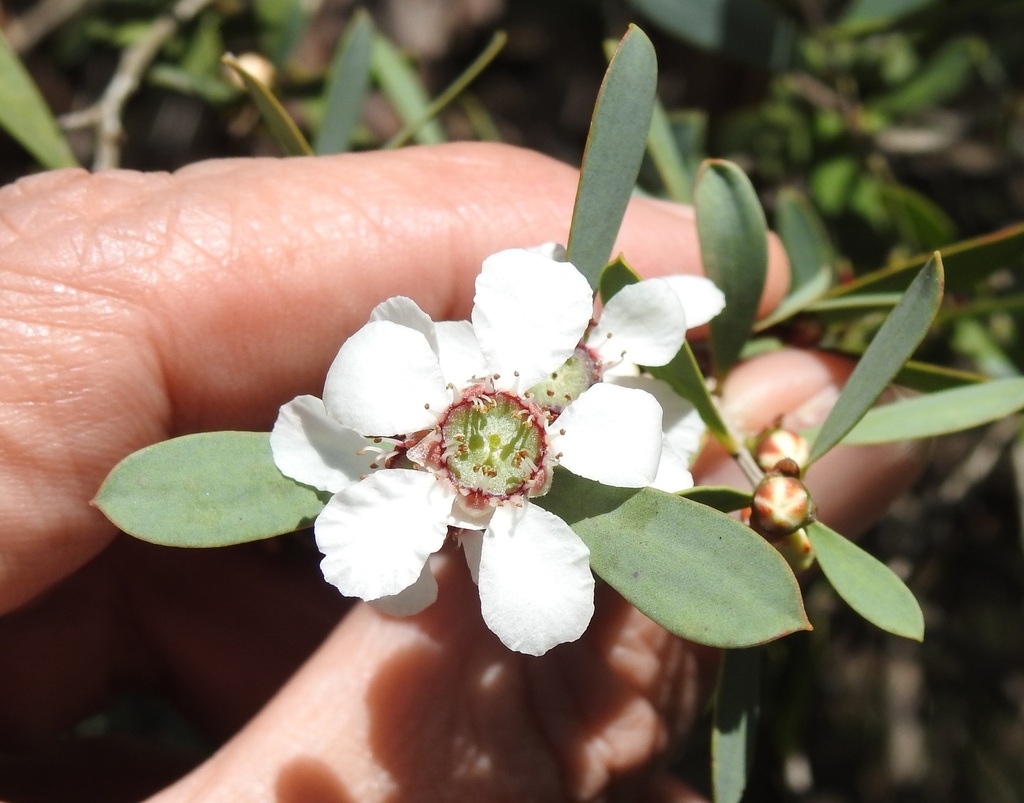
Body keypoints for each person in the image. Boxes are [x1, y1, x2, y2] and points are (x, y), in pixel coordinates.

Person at [0, 143, 922, 802]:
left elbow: (616, 424)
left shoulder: (587, 403)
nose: (492, 452)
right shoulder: (420, 406)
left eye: (501, 444)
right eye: (482, 443)